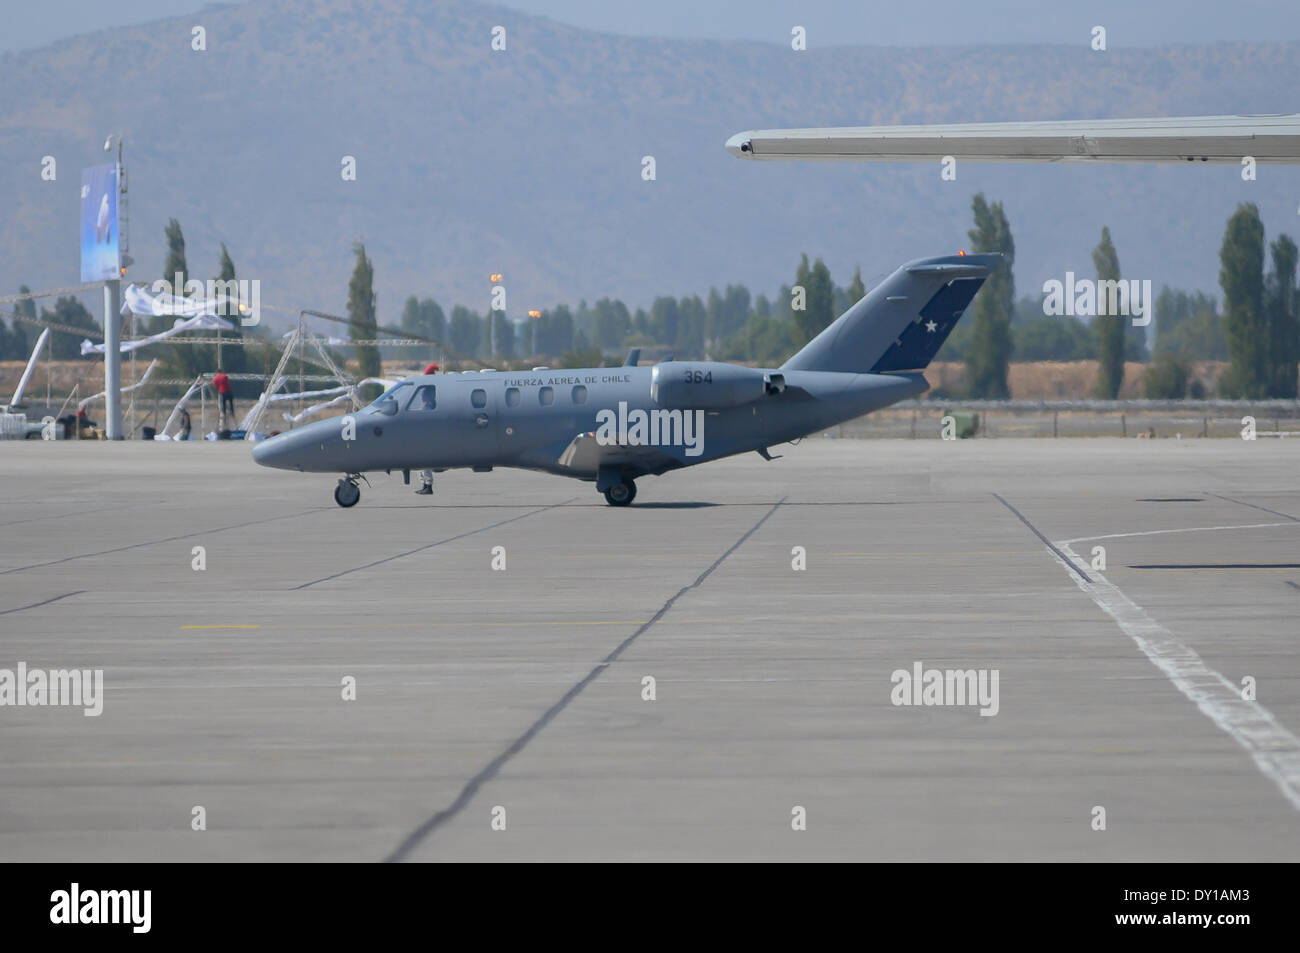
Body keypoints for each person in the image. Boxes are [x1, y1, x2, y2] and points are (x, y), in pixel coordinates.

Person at [416, 362, 439, 494]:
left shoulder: (430, 391)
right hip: (422, 434)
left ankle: (428, 485)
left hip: (426, 435)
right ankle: (425, 484)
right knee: (420, 462)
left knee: (424, 461)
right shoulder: (428, 389)